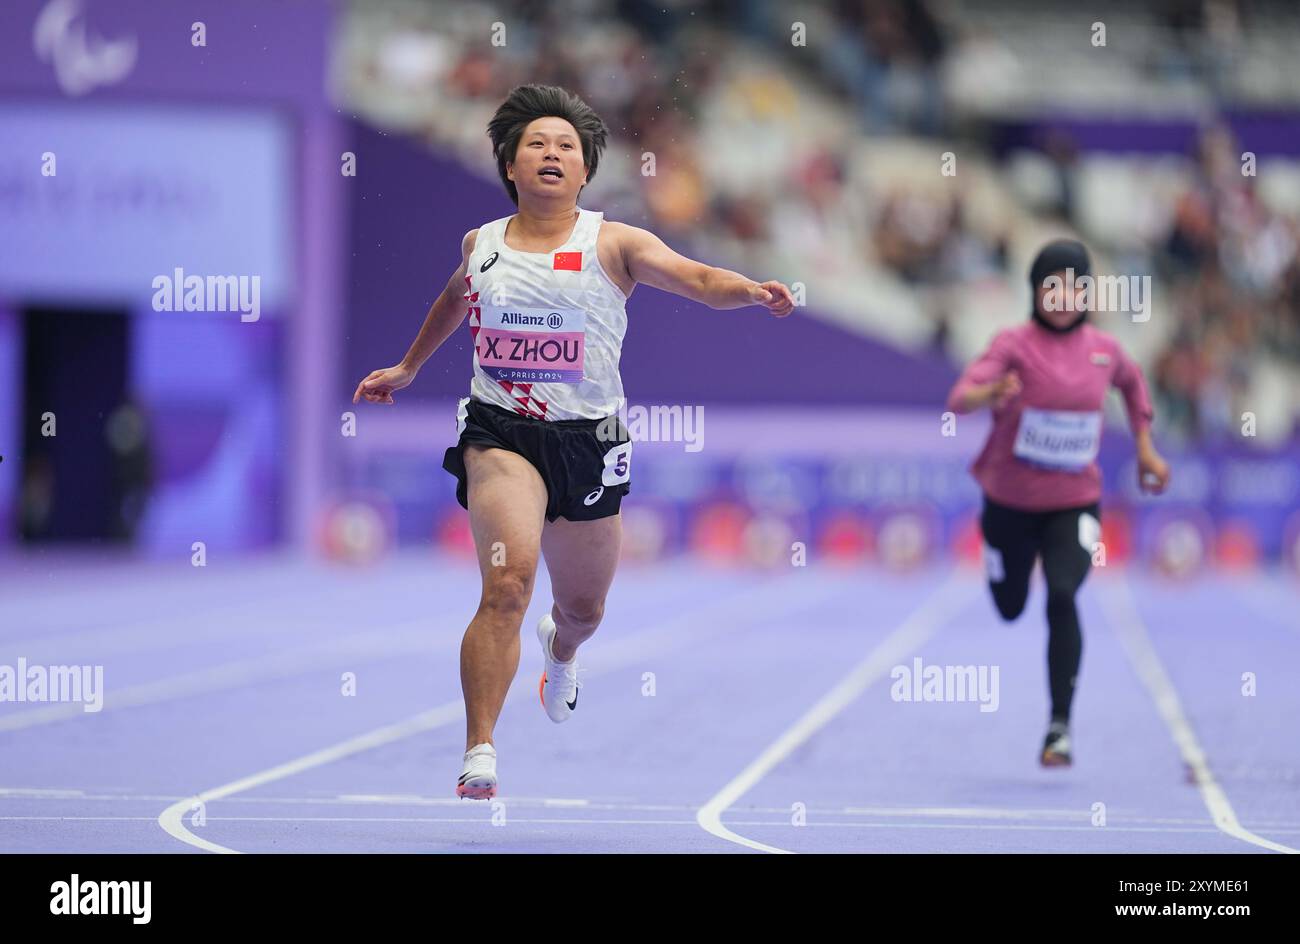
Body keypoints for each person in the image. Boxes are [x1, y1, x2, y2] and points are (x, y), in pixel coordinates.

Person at [352, 85, 794, 798]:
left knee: (582, 609)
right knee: (507, 582)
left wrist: (750, 290)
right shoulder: (482, 244)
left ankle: (561, 652)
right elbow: (456, 297)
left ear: (585, 171)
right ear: (510, 165)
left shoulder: (615, 242)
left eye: (566, 147)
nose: (552, 154)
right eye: (537, 144)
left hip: (588, 442)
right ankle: (481, 749)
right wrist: (408, 366)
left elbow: (699, 278)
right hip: (501, 432)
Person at [946, 238, 1170, 767]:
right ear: (1035, 292)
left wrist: (1145, 450)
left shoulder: (1104, 350)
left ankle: (1059, 727)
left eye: (1075, 286)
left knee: (1064, 593)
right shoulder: (1013, 344)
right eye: (1052, 286)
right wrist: (990, 393)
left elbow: (1135, 388)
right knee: (1010, 606)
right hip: (1008, 503)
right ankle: (1000, 562)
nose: (1064, 296)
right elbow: (960, 397)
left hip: (1075, 502)